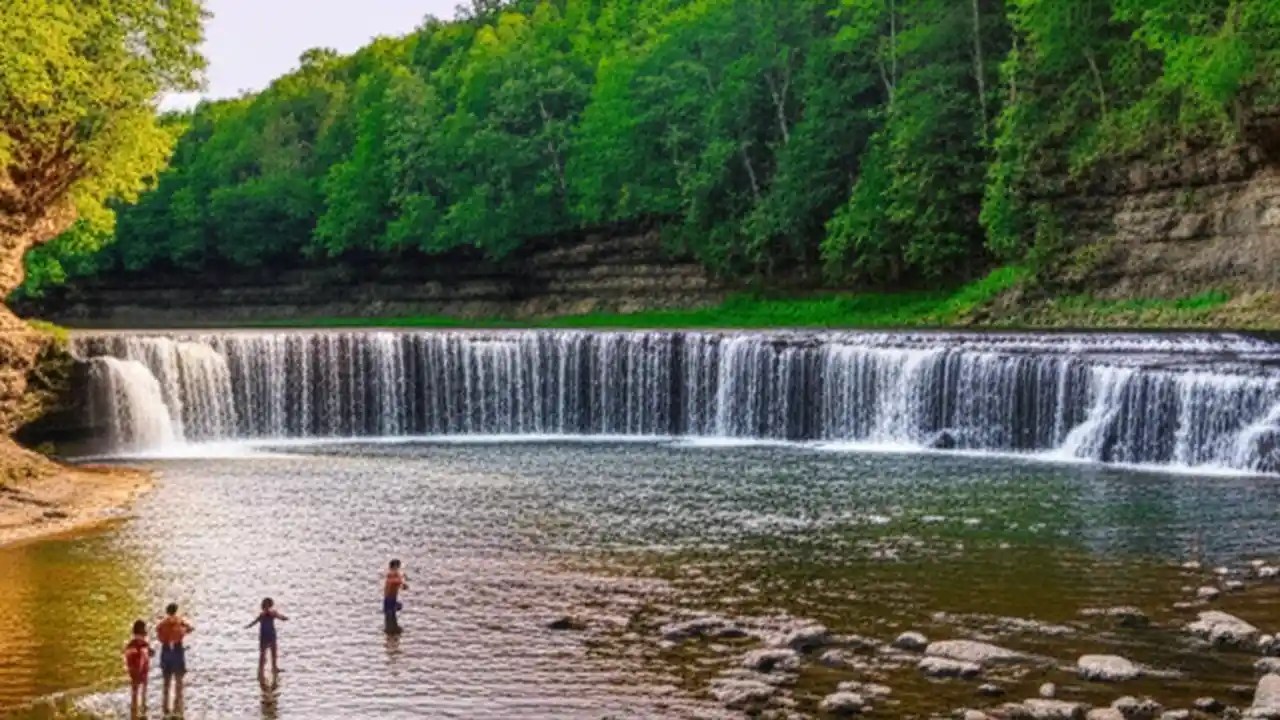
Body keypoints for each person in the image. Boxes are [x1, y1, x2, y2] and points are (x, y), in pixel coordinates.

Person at [156, 603, 194, 717]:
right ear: (176, 611)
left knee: (166, 681)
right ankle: (178, 708)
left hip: (166, 649)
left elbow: (158, 633)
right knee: (179, 681)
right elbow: (190, 629)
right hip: (177, 650)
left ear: (167, 611)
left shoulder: (162, 624)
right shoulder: (179, 621)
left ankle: (165, 708)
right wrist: (184, 630)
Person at [246, 597, 289, 676]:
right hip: (265, 635)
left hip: (270, 635)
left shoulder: (271, 613)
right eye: (265, 605)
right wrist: (248, 626)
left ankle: (273, 668)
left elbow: (280, 617)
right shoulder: (263, 614)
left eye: (268, 605)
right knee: (263, 654)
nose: (267, 607)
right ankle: (261, 670)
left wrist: (284, 618)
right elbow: (255, 622)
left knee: (273, 653)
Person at [122, 620, 153, 719]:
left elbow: (126, 654)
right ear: (142, 630)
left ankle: (134, 711)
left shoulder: (131, 643)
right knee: (144, 687)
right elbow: (150, 653)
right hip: (143, 667)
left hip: (133, 669)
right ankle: (143, 708)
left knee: (134, 690)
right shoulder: (143, 642)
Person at [383, 559, 408, 633]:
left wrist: (403, 584)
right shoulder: (391, 574)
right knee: (390, 616)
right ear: (394, 567)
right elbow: (392, 582)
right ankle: (390, 631)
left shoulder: (396, 575)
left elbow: (403, 586)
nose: (398, 569)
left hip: (392, 599)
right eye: (398, 567)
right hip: (389, 599)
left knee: (394, 613)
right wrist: (401, 579)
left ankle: (393, 630)